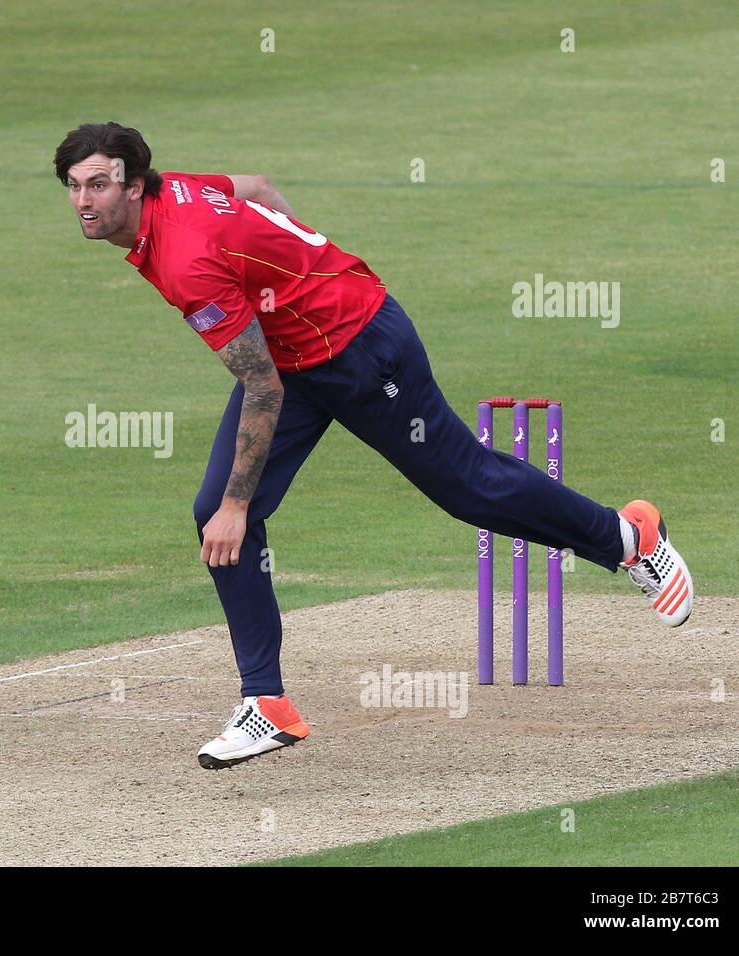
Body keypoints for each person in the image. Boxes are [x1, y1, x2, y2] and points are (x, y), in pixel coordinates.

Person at [53, 122, 694, 770]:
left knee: (467, 487)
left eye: (99, 185)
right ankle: (266, 702)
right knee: (212, 512)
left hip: (360, 347)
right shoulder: (179, 193)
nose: (83, 200)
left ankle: (628, 537)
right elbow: (261, 189)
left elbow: (260, 385)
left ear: (134, 186)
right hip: (294, 359)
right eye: (74, 186)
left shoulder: (185, 258)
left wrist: (239, 504)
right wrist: (303, 273)